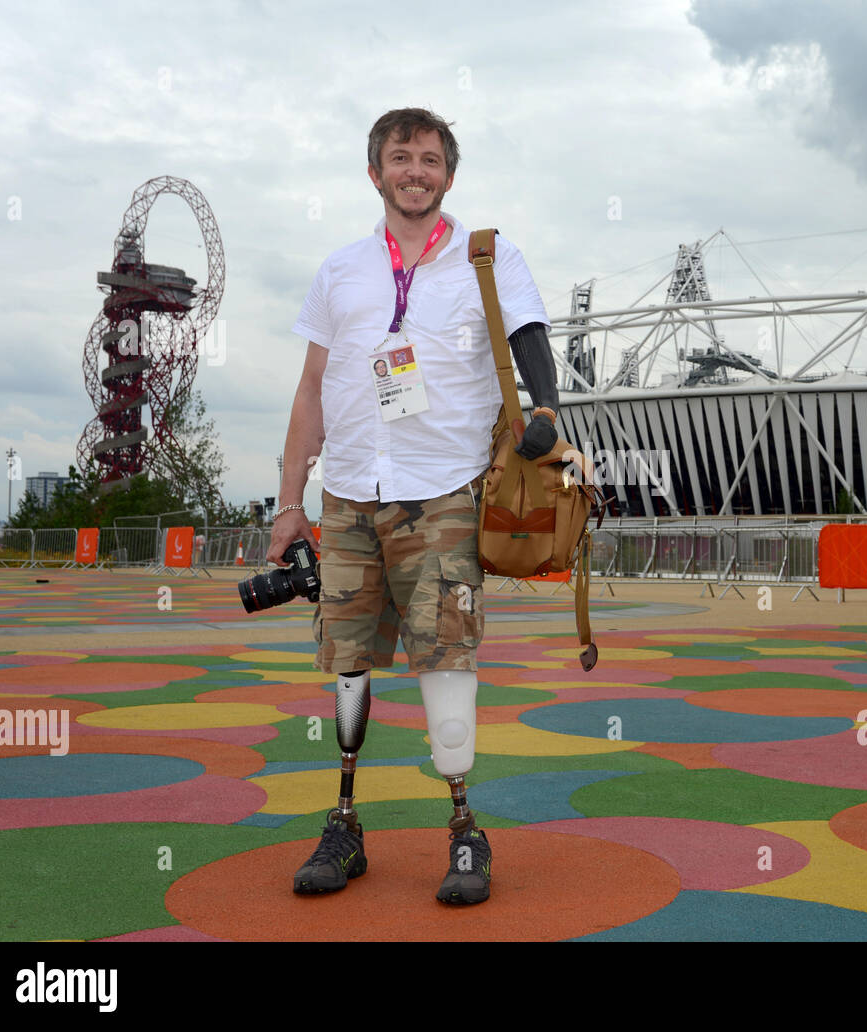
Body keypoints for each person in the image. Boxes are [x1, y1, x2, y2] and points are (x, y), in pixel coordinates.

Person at [268, 107, 560, 905]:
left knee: (447, 667)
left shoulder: (487, 261)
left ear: (448, 176)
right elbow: (310, 387)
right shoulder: (340, 272)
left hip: (444, 494)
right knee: (349, 667)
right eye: (401, 157)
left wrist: (546, 408)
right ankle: (345, 825)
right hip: (350, 496)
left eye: (430, 159)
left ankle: (466, 834)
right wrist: (289, 501)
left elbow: (532, 333)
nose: (416, 170)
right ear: (376, 172)